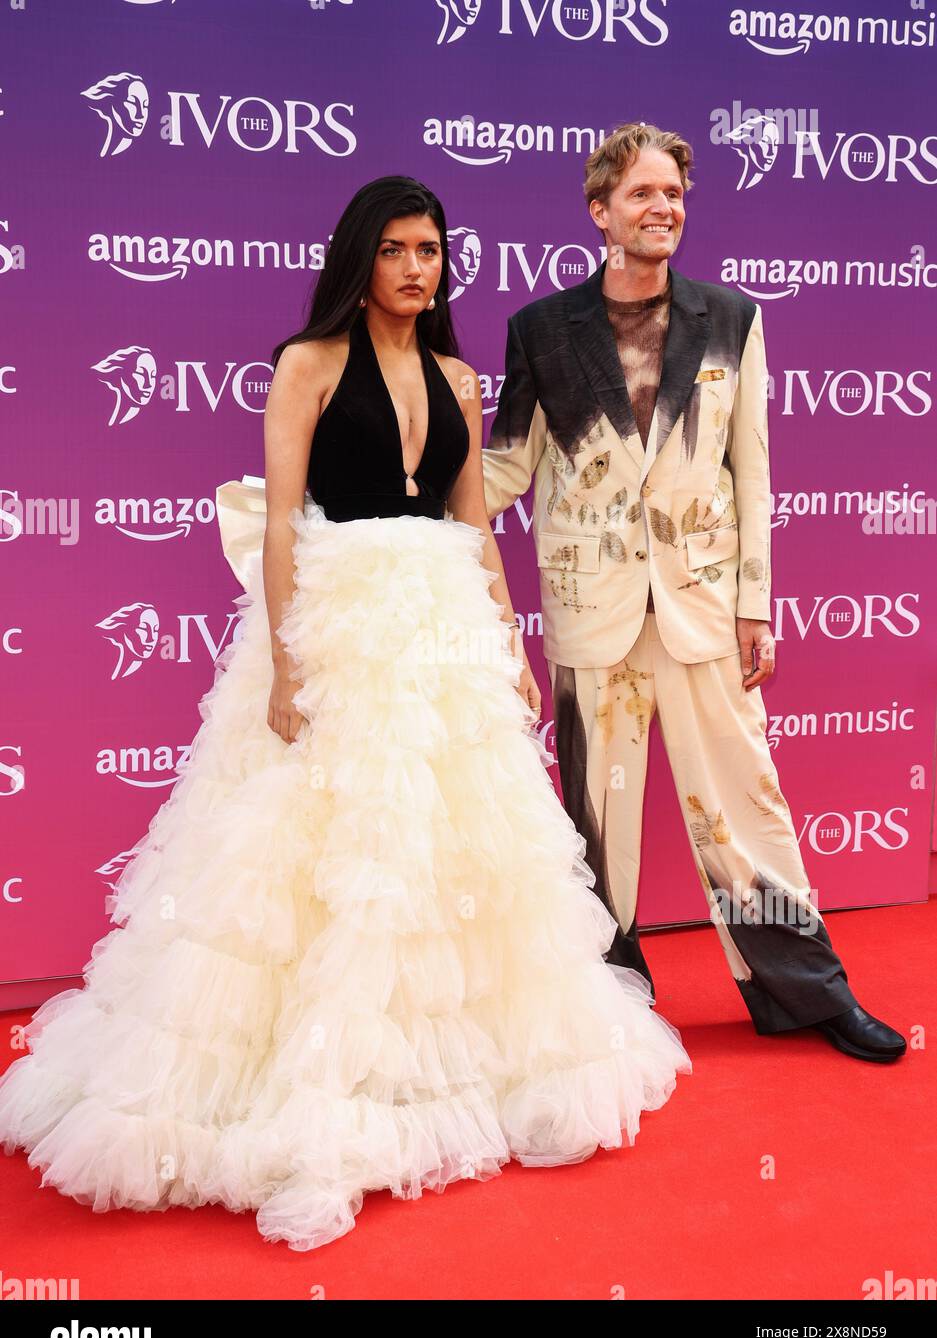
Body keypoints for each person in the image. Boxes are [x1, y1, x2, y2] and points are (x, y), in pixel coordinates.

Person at [0, 176, 691, 1254]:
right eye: (398, 249)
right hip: (339, 627)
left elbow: (473, 523)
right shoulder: (307, 365)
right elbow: (281, 520)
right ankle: (306, 1090)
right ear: (360, 259)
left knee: (450, 853)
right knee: (319, 854)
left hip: (444, 631)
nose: (419, 268)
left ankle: (446, 1076)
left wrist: (503, 640)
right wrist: (283, 664)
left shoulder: (462, 378)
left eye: (432, 250)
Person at [481, 123, 906, 1063]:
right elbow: (504, 473)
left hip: (704, 607)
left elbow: (749, 472)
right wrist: (392, 495)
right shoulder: (540, 332)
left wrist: (756, 602)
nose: (661, 208)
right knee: (601, 824)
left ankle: (805, 995)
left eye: (672, 193)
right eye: (640, 194)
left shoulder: (733, 318)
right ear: (599, 212)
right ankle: (604, 1010)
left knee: (746, 802)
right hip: (594, 616)